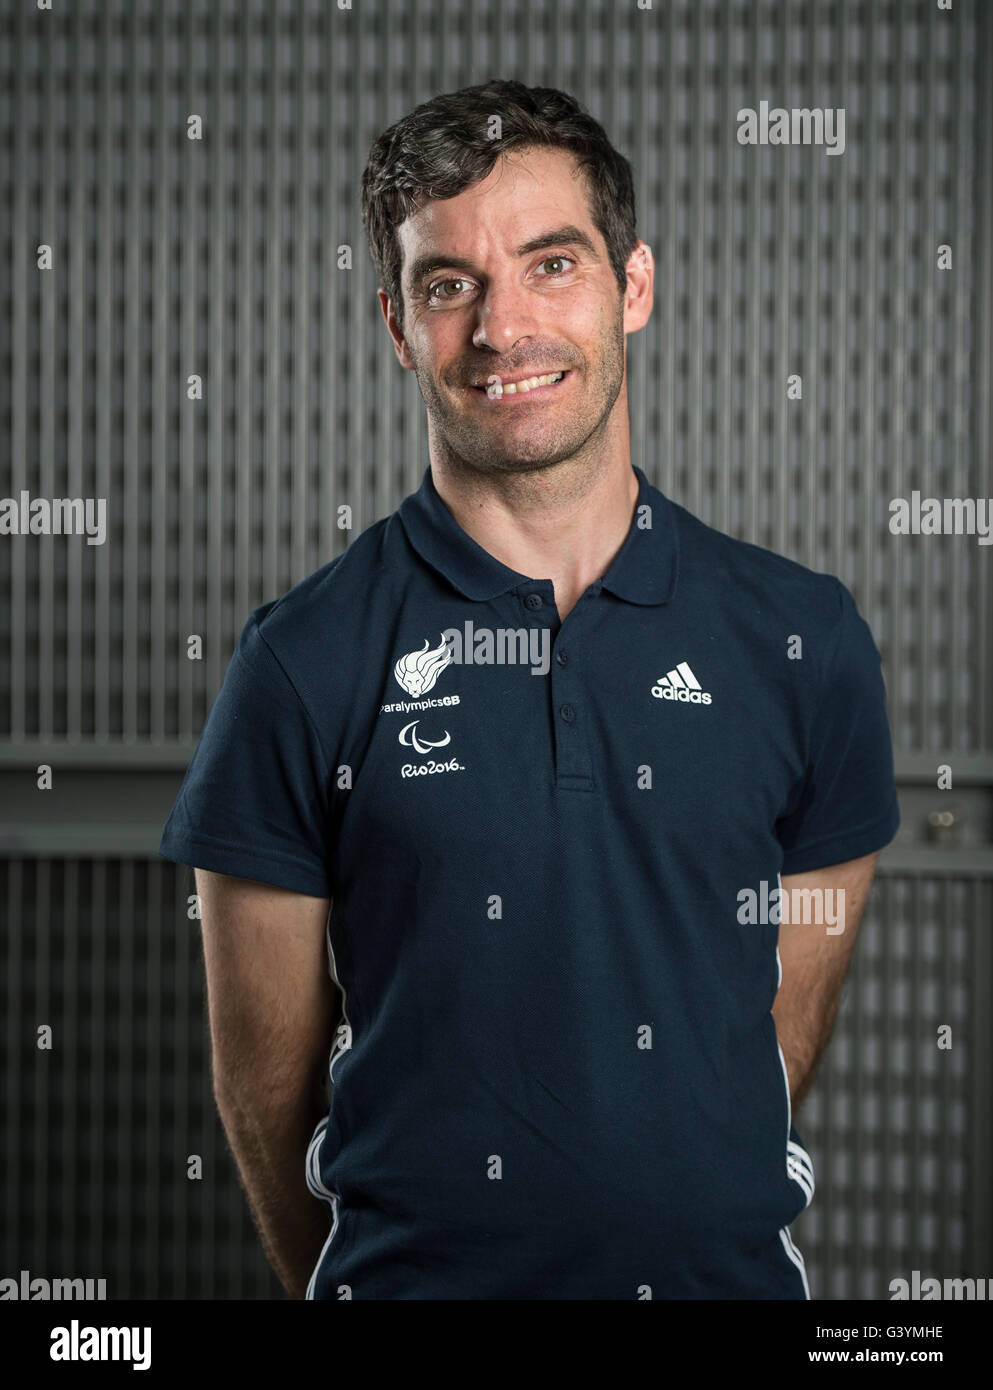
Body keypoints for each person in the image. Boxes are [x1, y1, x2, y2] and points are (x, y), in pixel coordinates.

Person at [159, 79, 900, 1300]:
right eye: (450, 285)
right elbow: (268, 1088)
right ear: (400, 326)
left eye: (553, 264)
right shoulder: (299, 661)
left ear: (636, 287)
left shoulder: (802, 639)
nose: (504, 329)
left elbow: (774, 1031)